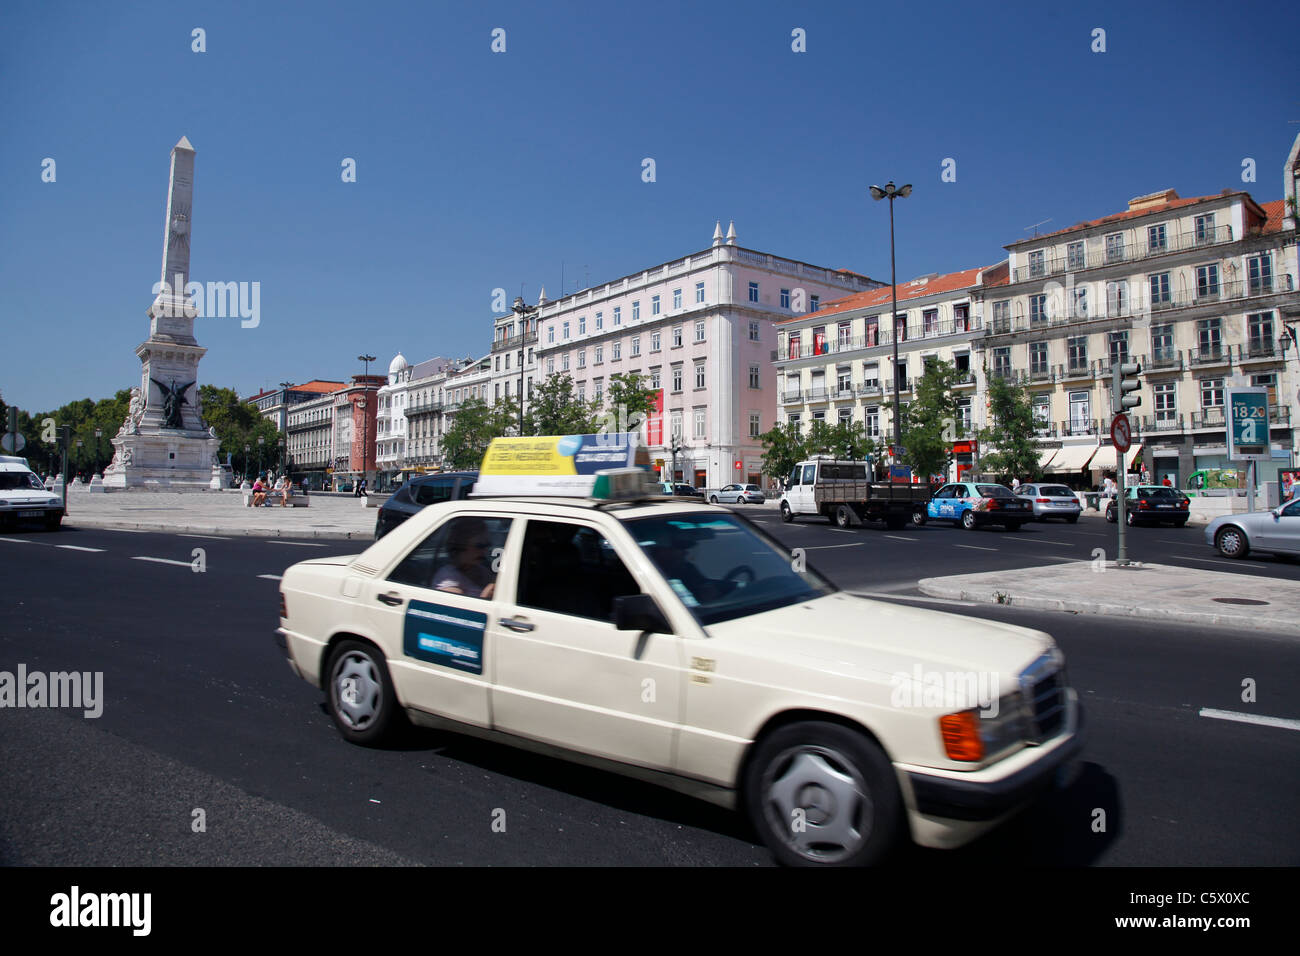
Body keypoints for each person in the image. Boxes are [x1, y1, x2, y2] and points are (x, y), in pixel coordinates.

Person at [433, 519, 496, 599]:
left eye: (487, 545)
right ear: (461, 546)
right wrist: (484, 597)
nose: (485, 550)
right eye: (480, 546)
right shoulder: (448, 577)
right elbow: (456, 609)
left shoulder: (481, 569)